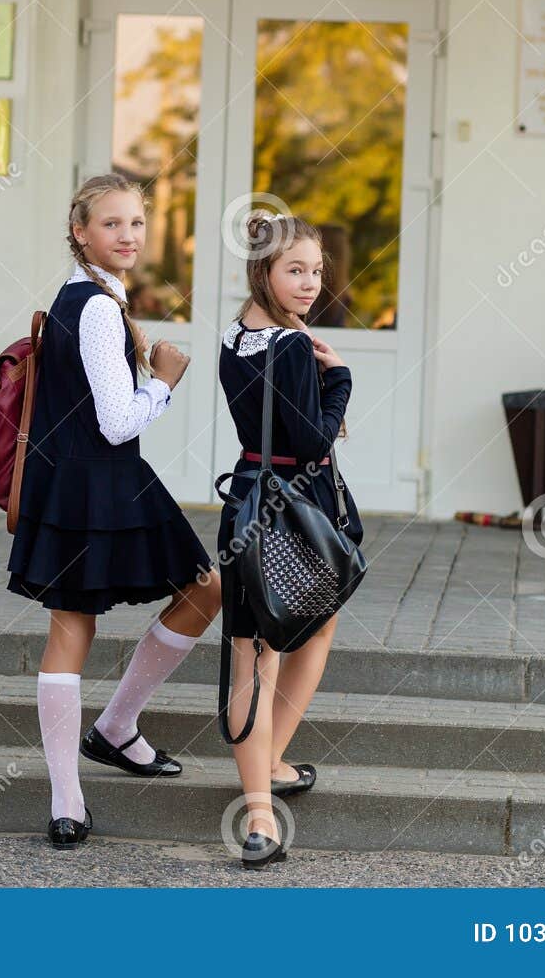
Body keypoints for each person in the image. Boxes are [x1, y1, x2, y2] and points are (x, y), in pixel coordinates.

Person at [6, 173, 221, 849]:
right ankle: (73, 786)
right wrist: (163, 378)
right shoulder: (97, 307)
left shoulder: (83, 298)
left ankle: (110, 737)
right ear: (80, 230)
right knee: (199, 590)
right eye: (111, 223)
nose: (127, 235)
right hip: (100, 482)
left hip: (75, 484)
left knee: (81, 627)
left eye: (136, 222)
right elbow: (118, 422)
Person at [216, 212, 362, 869]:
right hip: (292, 508)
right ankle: (259, 815)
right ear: (264, 271)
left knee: (271, 643)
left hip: (247, 498)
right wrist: (341, 382)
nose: (309, 282)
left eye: (316, 270)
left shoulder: (233, 337)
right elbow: (309, 442)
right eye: (294, 270)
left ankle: (267, 774)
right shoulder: (296, 347)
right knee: (272, 648)